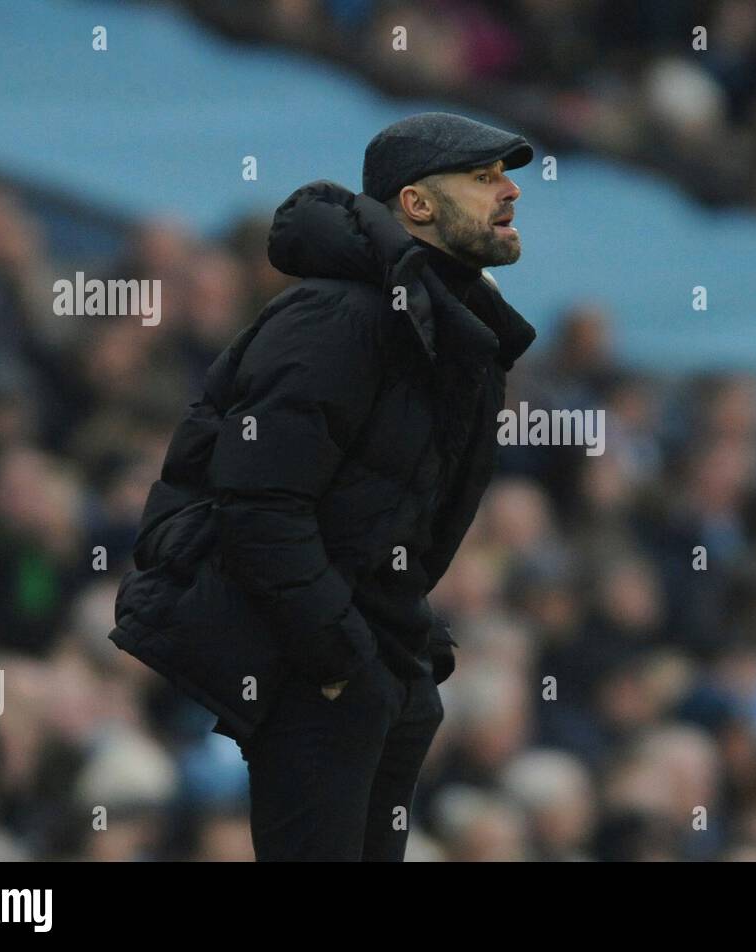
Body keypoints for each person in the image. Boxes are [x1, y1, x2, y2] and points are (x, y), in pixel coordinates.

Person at [112, 112, 536, 860]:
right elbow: (260, 504)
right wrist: (341, 656)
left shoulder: (449, 331)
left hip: (377, 657)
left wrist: (399, 645)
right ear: (416, 205)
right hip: (318, 664)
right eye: (484, 177)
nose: (509, 193)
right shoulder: (337, 317)